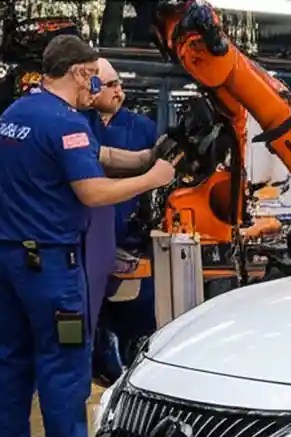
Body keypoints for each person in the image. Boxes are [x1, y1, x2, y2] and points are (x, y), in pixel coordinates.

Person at [0, 35, 175, 437]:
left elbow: (72, 158)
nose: (95, 88)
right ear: (79, 72)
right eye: (94, 78)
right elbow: (92, 192)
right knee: (63, 362)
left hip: (8, 261)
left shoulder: (14, 115)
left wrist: (138, 159)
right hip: (52, 267)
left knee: (11, 361)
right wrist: (152, 178)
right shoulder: (67, 122)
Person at [81, 58, 160, 384]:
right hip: (85, 245)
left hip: (131, 243)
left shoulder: (141, 127)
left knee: (138, 320)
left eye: (119, 84)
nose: (119, 91)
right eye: (110, 85)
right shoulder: (76, 124)